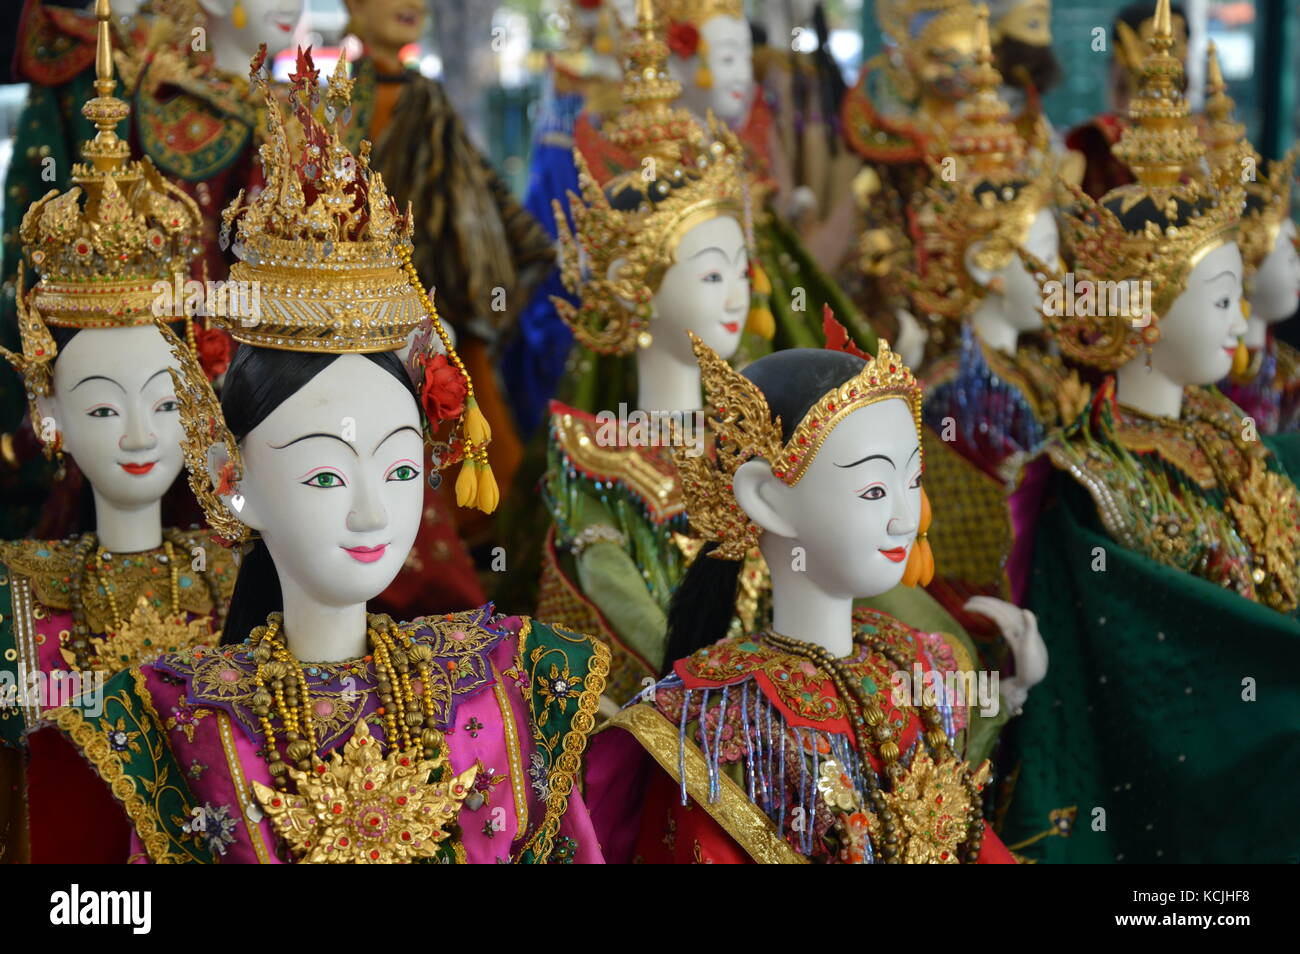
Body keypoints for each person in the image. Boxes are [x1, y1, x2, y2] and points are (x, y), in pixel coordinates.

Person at [38, 50, 609, 864]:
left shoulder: (501, 688)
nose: (374, 512)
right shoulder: (191, 728)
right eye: (326, 475)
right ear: (233, 483)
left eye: (401, 469)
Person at [586, 333, 1017, 863]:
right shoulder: (721, 718)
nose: (907, 518)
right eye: (875, 490)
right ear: (767, 498)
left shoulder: (917, 663)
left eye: (914, 480)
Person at [0, 0, 234, 862]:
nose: (141, 434)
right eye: (101, 407)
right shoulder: (20, 597)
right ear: (49, 414)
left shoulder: (233, 574)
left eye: (168, 404)